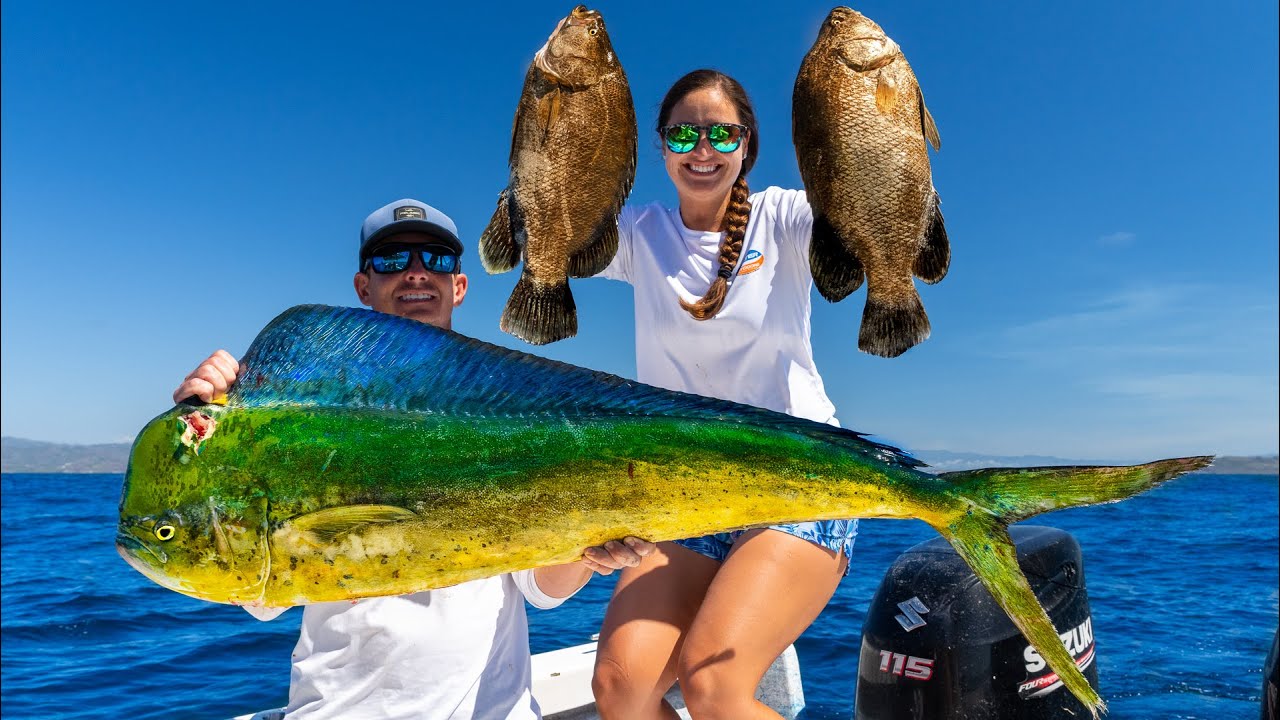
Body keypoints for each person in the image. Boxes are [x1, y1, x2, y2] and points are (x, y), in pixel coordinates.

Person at [173, 198, 655, 720]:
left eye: (437, 260)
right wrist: (205, 445)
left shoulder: (511, 415)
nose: (416, 274)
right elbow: (258, 598)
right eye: (392, 261)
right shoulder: (307, 415)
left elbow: (543, 588)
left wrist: (591, 546)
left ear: (459, 286)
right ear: (364, 287)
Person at [588, 70, 855, 720]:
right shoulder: (639, 233)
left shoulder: (785, 217)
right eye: (683, 132)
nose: (700, 149)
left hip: (802, 480)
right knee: (620, 689)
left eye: (719, 133)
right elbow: (555, 236)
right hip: (690, 497)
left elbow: (854, 224)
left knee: (714, 689)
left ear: (746, 146)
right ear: (660, 148)